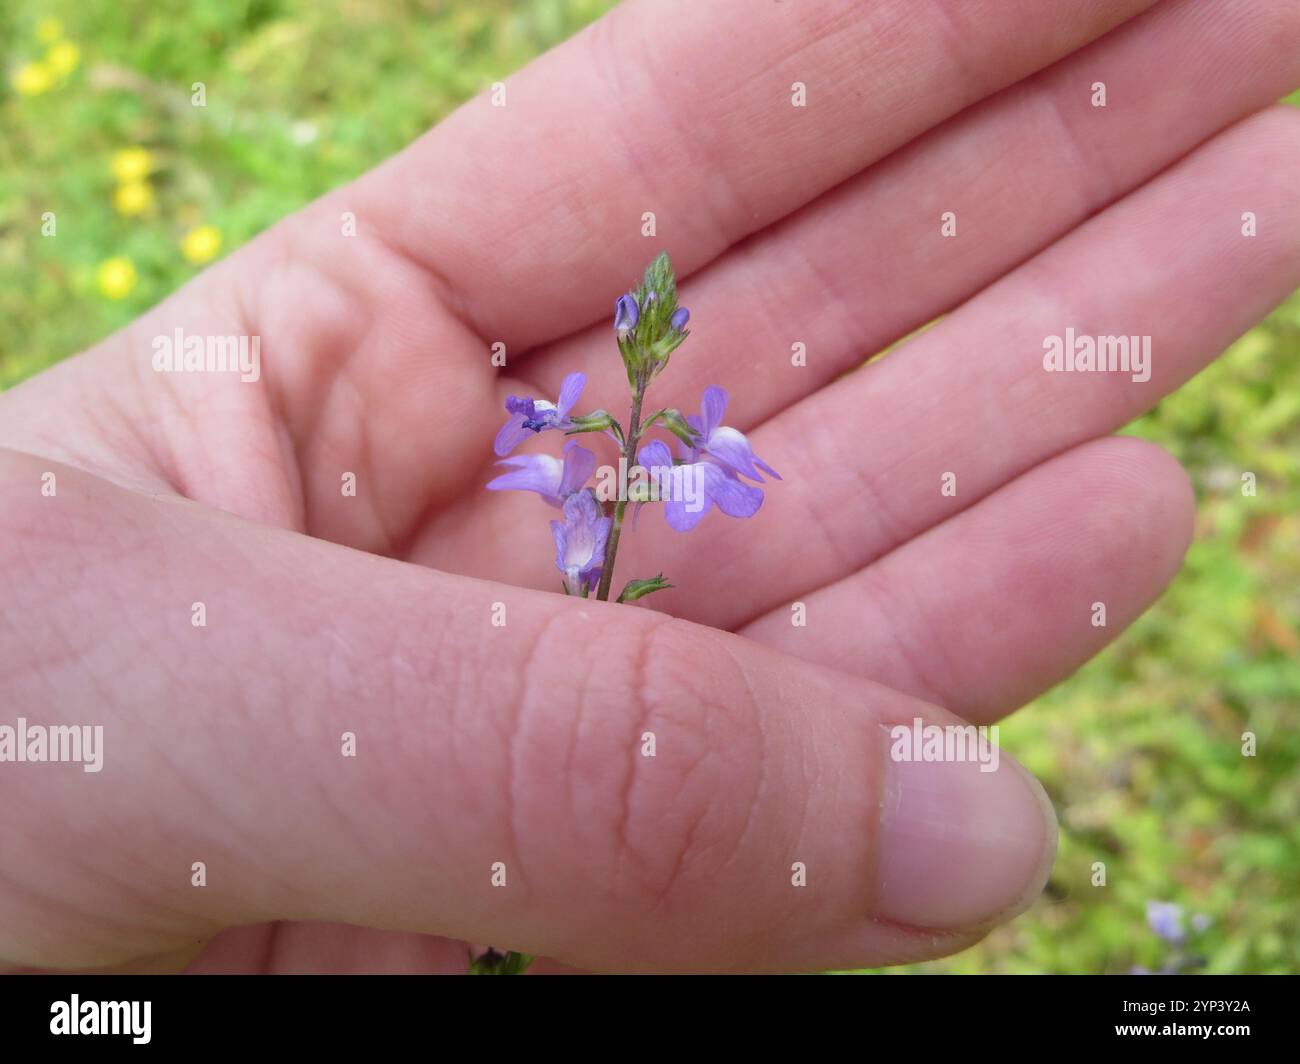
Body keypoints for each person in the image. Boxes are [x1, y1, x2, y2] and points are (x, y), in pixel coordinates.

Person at [1, 0, 1297, 974]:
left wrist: (658, 461)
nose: (591, 470)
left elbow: (683, 476)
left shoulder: (661, 453)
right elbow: (579, 481)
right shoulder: (588, 454)